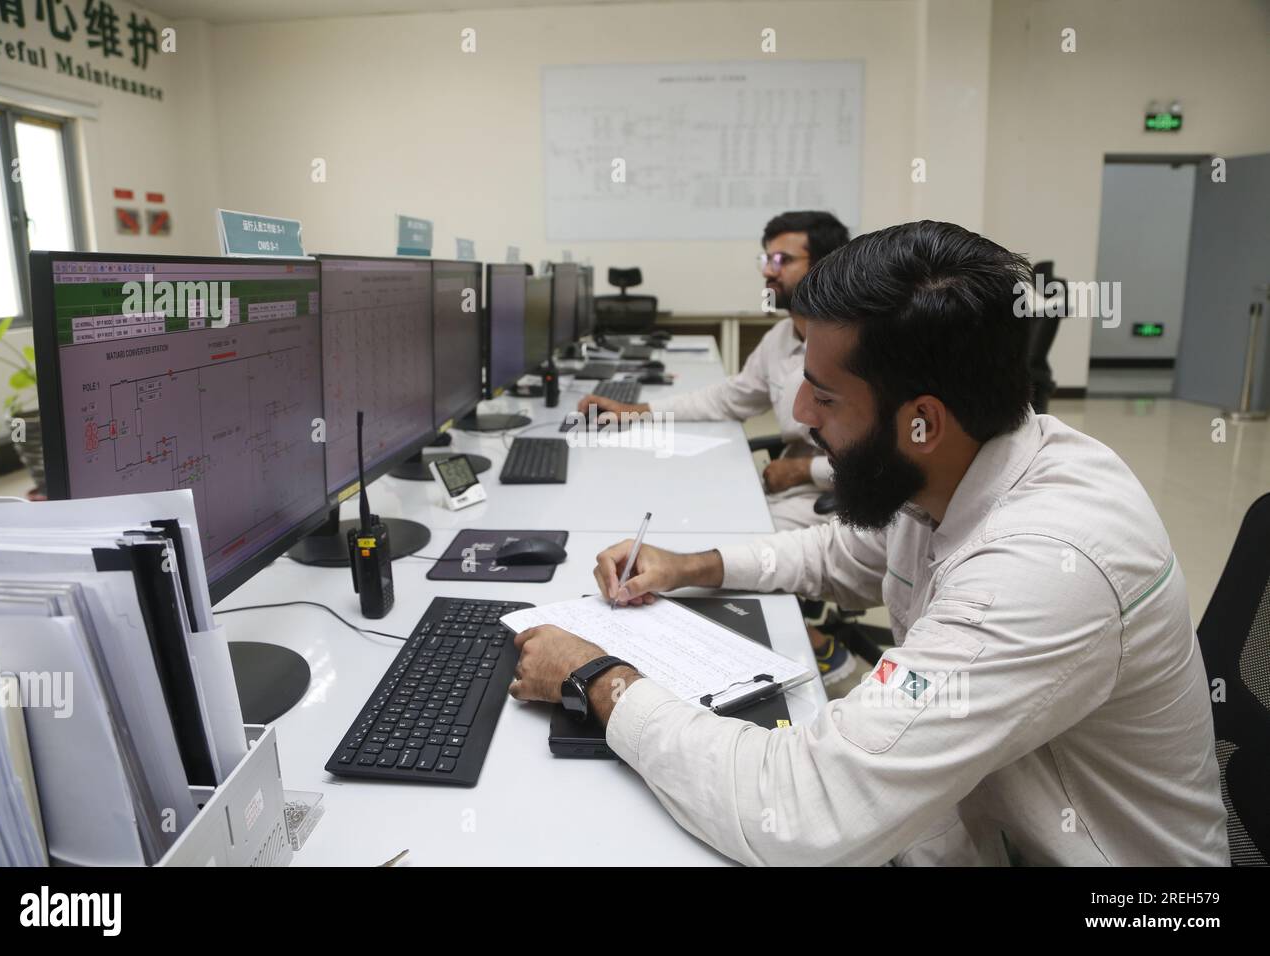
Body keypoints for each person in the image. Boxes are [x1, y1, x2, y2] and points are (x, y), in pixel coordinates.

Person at [509, 220, 1230, 866]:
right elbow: (844, 557)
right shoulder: (962, 464)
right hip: (977, 819)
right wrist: (690, 566)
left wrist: (600, 680)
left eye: (823, 397)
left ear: (923, 420)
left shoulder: (1044, 562)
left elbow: (796, 813)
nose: (796, 412)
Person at [578, 210, 850, 532]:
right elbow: (728, 398)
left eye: (781, 260)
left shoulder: (852, 346)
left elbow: (882, 461)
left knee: (718, 534)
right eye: (765, 259)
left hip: (838, 501)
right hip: (788, 484)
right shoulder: (780, 336)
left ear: (822, 265)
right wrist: (634, 412)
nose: (767, 270)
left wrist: (806, 470)